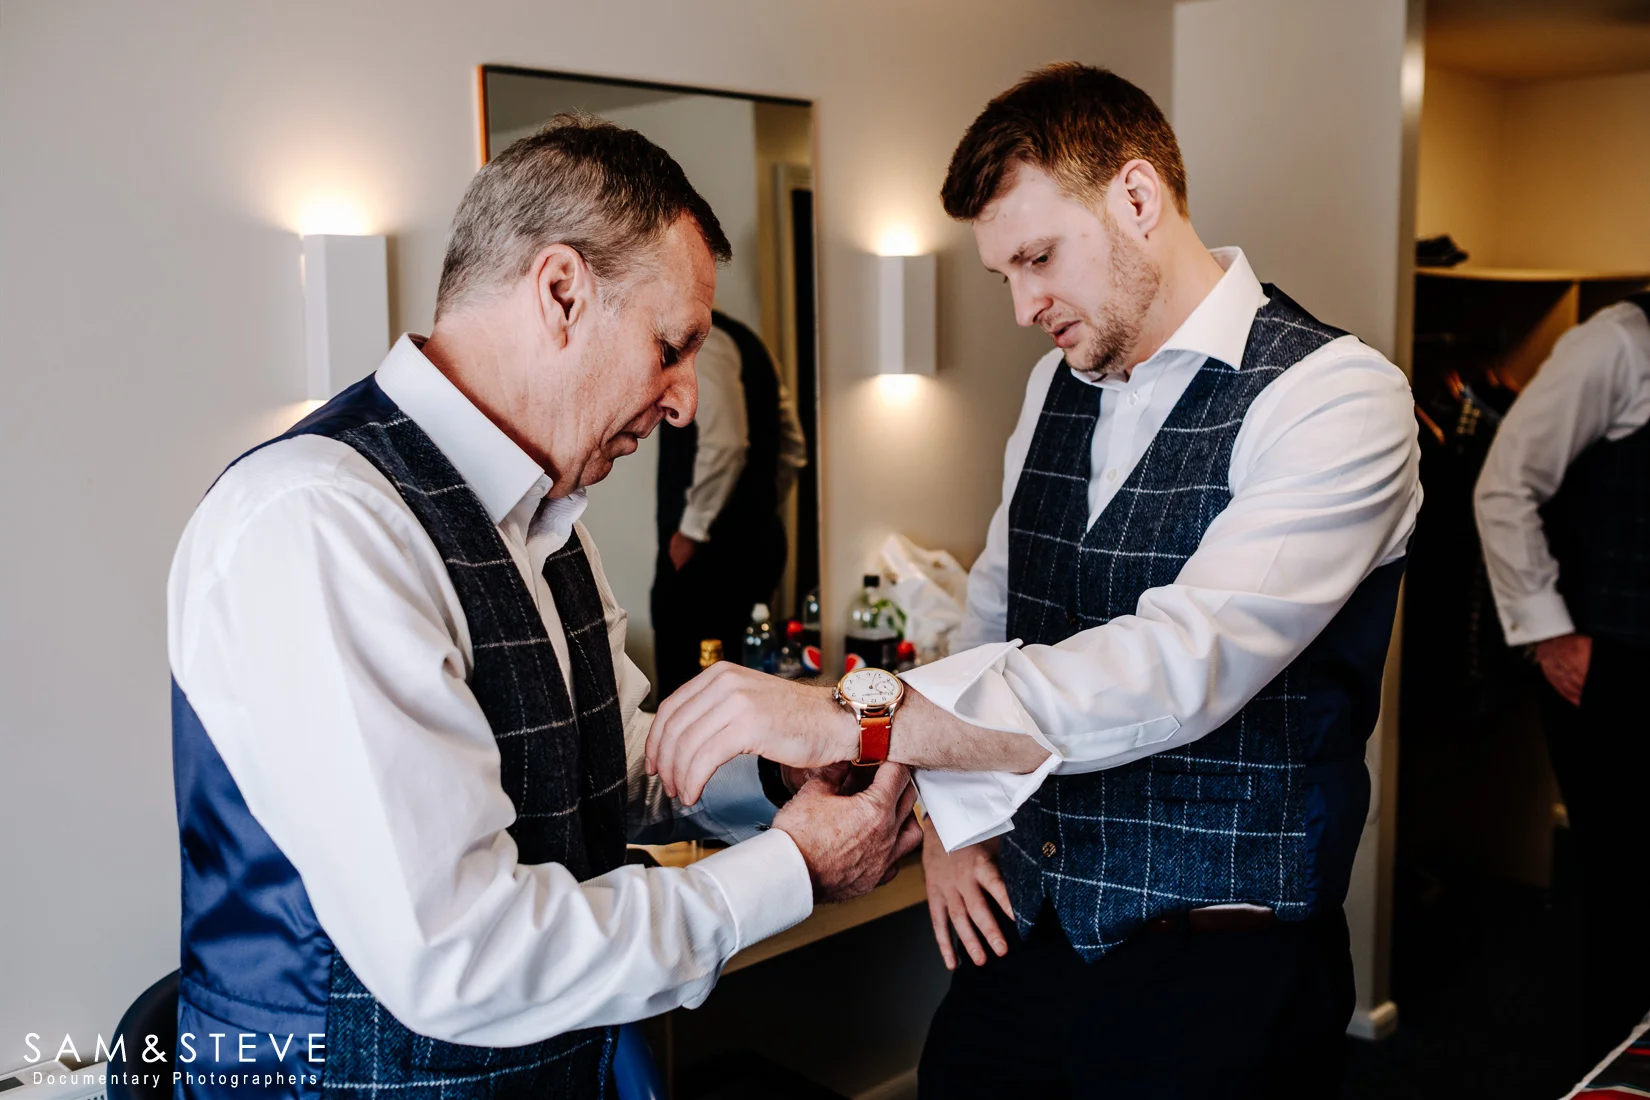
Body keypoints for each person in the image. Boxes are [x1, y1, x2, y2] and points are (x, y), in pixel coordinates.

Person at [646, 63, 1421, 1097]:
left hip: (1224, 958)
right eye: (1003, 272)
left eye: (1039, 257)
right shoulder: (1058, 383)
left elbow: (1178, 664)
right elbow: (996, 621)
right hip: (1029, 924)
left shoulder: (1338, 397)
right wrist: (957, 822)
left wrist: (859, 718)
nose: (1021, 305)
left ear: (1138, 199)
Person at [167, 115, 920, 1100]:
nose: (685, 399)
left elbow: (604, 757)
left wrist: (777, 767)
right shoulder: (321, 522)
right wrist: (791, 870)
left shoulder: (545, 516)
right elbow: (460, 952)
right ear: (561, 291)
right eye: (671, 345)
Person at [1474, 291, 1650, 1056]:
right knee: (1623, 880)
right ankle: (1606, 1061)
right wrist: (1550, 635)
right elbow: (1505, 486)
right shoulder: (1617, 342)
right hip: (1615, 660)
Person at [651, 310, 807, 697]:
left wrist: (692, 530)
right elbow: (792, 448)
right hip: (756, 541)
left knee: (690, 684)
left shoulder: (704, 344)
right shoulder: (747, 340)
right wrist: (760, 503)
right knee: (747, 673)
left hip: (710, 557)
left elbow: (726, 444)